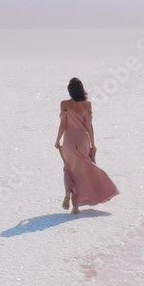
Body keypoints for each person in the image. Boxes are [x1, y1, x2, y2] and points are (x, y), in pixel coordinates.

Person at [54, 77, 119, 214]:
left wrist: (57, 140)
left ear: (70, 91)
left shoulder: (64, 104)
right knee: (83, 171)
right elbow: (89, 127)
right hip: (83, 140)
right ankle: (77, 204)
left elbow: (63, 125)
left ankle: (69, 194)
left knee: (69, 169)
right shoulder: (87, 105)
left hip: (69, 141)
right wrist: (93, 145)